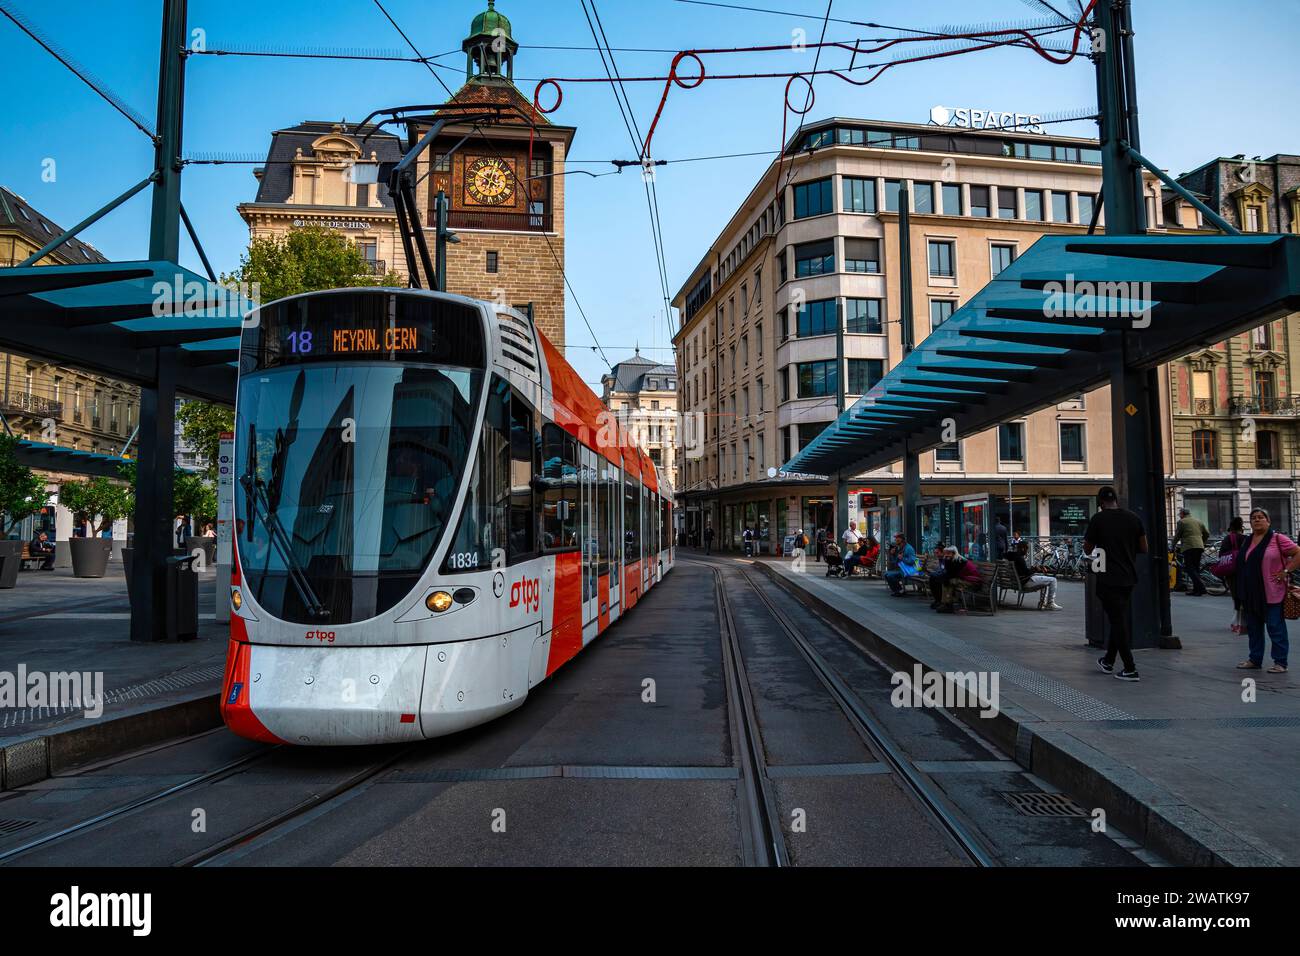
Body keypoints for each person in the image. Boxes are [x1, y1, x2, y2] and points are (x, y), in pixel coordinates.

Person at [1083, 485, 1147, 682]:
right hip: (1128, 577)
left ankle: (1130, 668)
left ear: (1101, 502)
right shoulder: (1134, 518)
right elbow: (1144, 547)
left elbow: (1087, 548)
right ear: (1116, 500)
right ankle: (1108, 661)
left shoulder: (1098, 519)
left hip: (1107, 577)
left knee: (1117, 622)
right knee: (1117, 618)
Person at [1234, 507, 1296, 674]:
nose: (1257, 520)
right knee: (1254, 629)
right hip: (1250, 593)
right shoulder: (1247, 540)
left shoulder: (1277, 539)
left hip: (1272, 592)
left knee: (1275, 628)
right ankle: (1255, 659)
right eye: (1254, 517)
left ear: (1268, 521)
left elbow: (1298, 553)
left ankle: (1280, 662)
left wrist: (1286, 571)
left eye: (1261, 517)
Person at [1011, 540, 1061, 609]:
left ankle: (1042, 603)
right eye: (1027, 548)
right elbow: (1026, 573)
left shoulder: (1014, 557)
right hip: (1025, 582)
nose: (1027, 551)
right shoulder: (1020, 558)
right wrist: (1036, 569)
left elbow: (1023, 570)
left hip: (1018, 581)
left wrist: (1033, 568)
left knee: (1044, 580)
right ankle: (1050, 603)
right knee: (1053, 580)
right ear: (1022, 548)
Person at [1175, 507, 1210, 596]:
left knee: (1189, 568)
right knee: (1196, 568)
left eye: (1180, 514)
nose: (1180, 516)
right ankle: (1196, 590)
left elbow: (1177, 536)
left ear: (1183, 514)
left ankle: (1201, 587)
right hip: (1199, 546)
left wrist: (1172, 545)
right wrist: (1202, 541)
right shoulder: (1198, 521)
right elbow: (1207, 533)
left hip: (1188, 546)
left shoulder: (1181, 522)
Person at [1219, 516, 1246, 631]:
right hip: (1244, 570)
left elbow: (1221, 554)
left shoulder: (1228, 539)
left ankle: (1236, 621)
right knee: (1244, 595)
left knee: (1235, 595)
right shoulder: (1246, 538)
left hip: (1231, 571)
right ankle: (1242, 621)